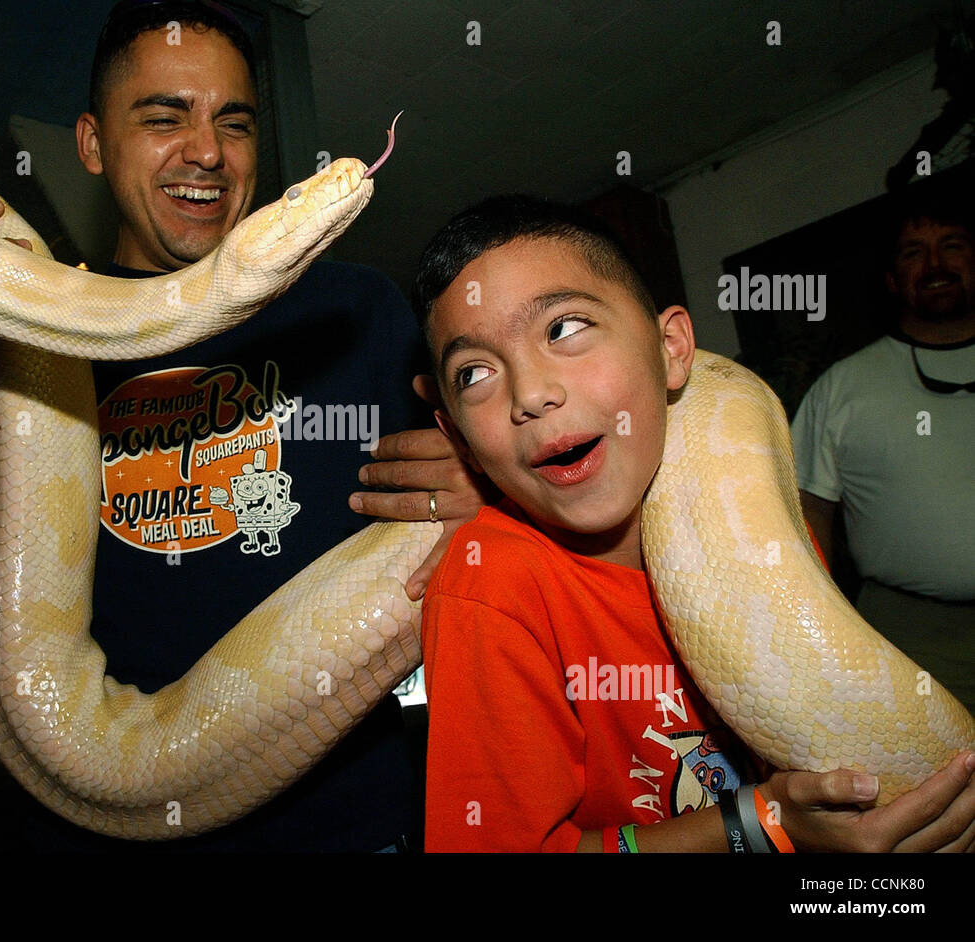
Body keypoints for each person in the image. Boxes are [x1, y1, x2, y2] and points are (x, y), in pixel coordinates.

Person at [0, 0, 485, 852]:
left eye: (233, 123)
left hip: (359, 824)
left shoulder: (359, 310)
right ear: (92, 145)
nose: (206, 151)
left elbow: (517, 507)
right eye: (165, 116)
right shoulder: (27, 344)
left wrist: (497, 488)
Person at [412, 194, 975, 852]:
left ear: (673, 348)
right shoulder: (492, 585)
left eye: (563, 329)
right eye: (474, 372)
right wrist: (758, 825)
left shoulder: (752, 520)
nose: (531, 393)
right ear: (458, 437)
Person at [791, 196, 975, 711]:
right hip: (913, 637)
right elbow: (807, 511)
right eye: (914, 253)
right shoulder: (842, 387)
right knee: (939, 785)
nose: (935, 264)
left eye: (952, 246)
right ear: (892, 280)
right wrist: (820, 626)